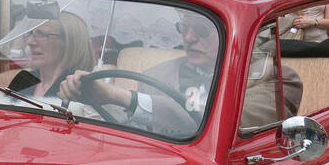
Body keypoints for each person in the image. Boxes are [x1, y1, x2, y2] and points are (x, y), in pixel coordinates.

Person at [54, 11, 231, 138]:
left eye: (201, 29)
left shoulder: (252, 78)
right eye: (184, 28)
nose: (189, 37)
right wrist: (95, 101)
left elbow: (215, 123)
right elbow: (138, 133)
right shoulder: (155, 75)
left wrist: (117, 96)